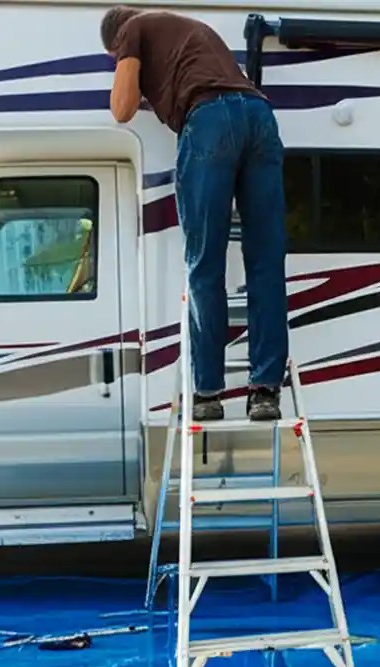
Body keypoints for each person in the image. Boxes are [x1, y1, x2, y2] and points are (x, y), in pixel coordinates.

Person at [100, 6, 289, 422]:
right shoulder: (191, 30)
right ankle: (265, 391)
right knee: (266, 263)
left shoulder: (131, 29)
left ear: (116, 45)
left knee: (205, 265)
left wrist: (125, 67)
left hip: (210, 121)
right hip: (259, 118)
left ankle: (207, 392)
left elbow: (122, 109)